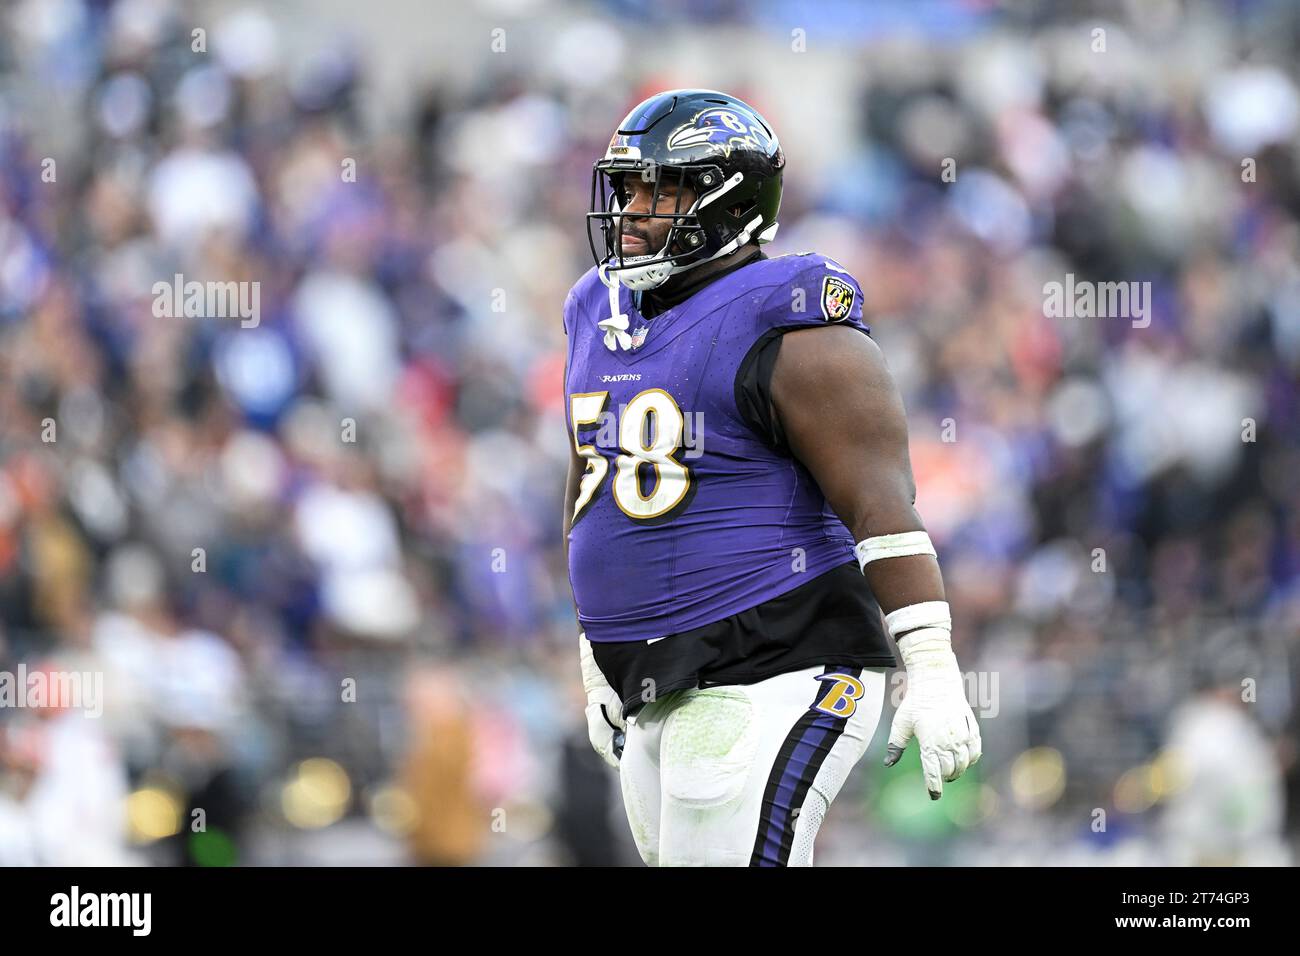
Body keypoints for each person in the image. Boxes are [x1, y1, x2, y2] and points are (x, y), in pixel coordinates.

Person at [563, 89, 981, 866]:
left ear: (729, 202)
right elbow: (597, 479)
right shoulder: (597, 307)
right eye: (626, 188)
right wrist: (595, 645)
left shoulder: (789, 318)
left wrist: (929, 663)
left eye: (661, 188)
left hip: (775, 657)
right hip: (656, 673)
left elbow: (881, 507)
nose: (633, 209)